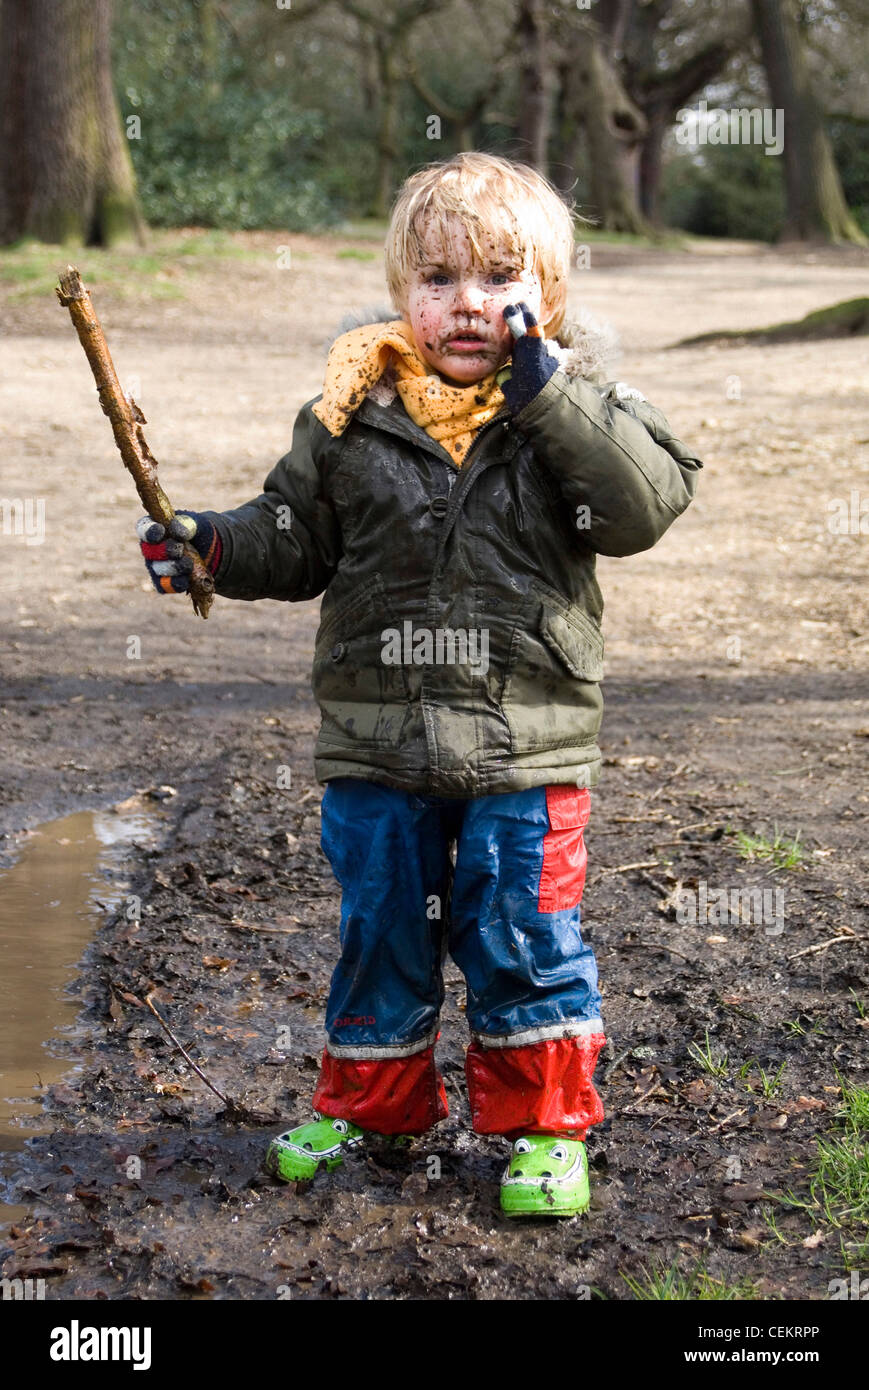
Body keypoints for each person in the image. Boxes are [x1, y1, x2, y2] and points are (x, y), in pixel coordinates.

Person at [137, 153, 702, 1217]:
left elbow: (640, 507)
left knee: (518, 928)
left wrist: (551, 404)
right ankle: (373, 1110)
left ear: (549, 291)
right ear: (402, 291)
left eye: (499, 276)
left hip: (522, 739)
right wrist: (210, 545)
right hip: (377, 741)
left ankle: (541, 1126)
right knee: (381, 926)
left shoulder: (572, 403)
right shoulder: (350, 411)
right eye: (438, 277)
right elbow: (294, 536)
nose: (467, 303)